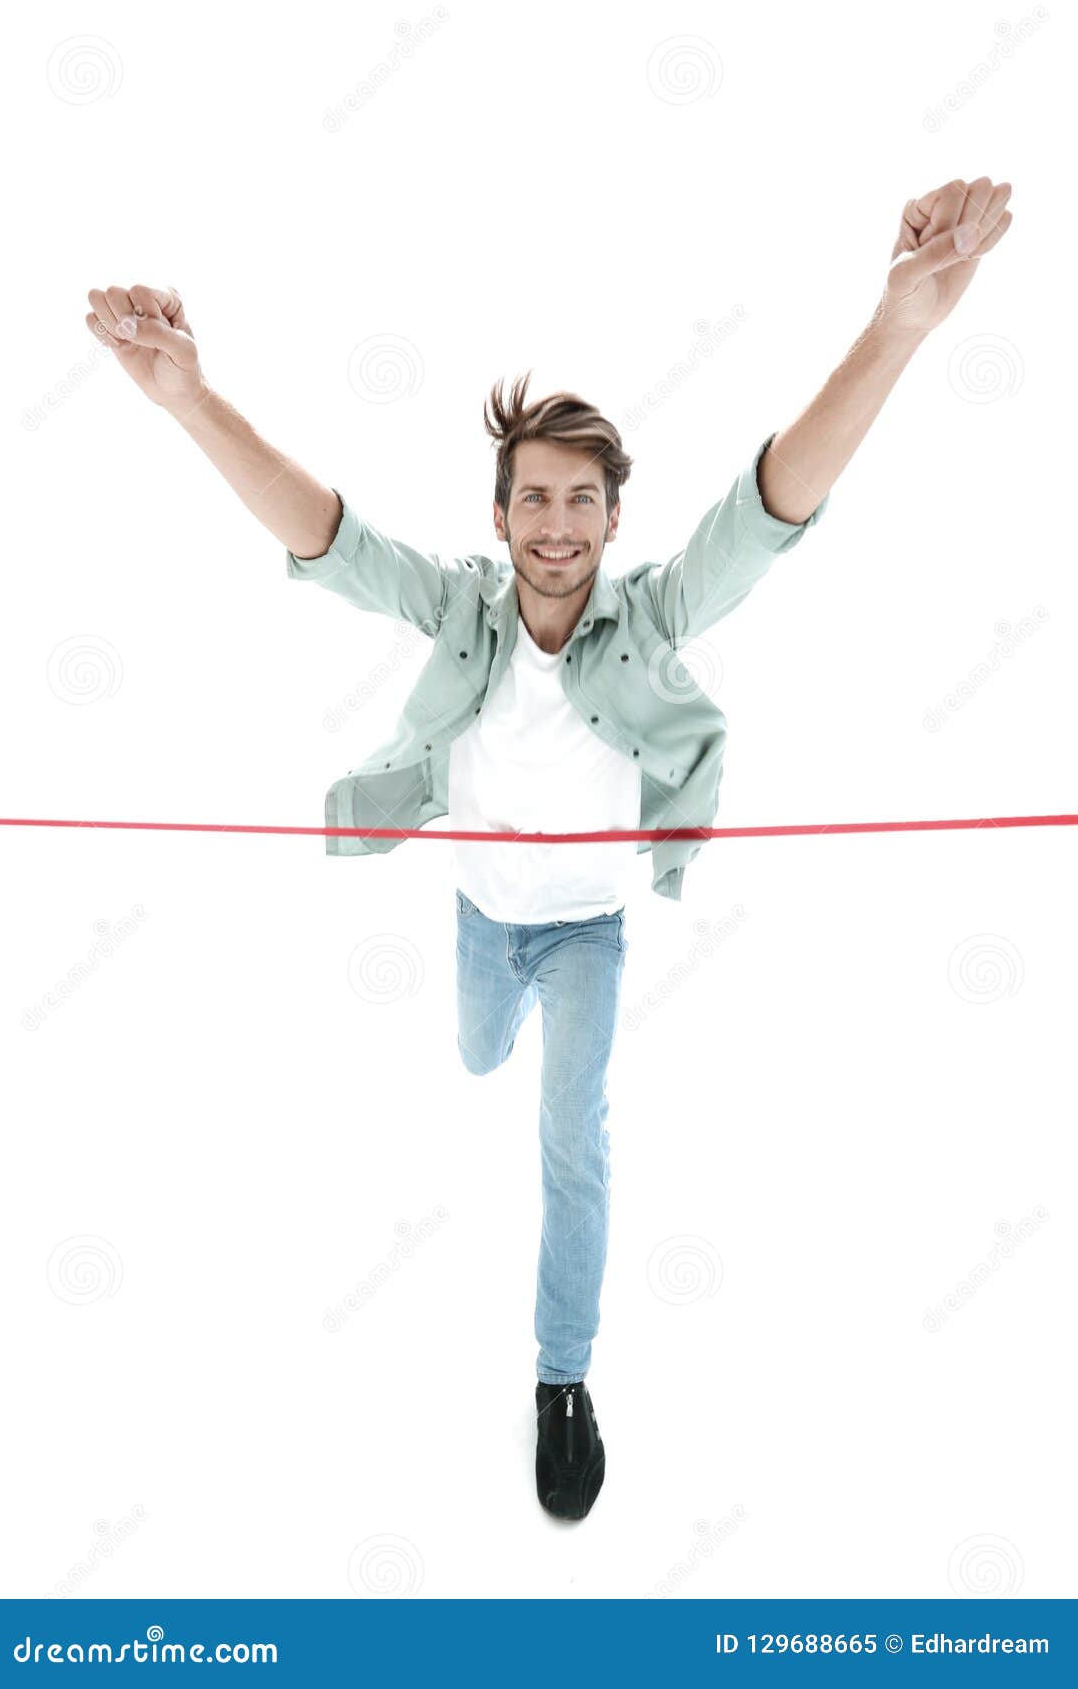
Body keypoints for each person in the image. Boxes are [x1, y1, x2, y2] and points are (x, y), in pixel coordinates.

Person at [84, 176, 1013, 1522]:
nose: (558, 524)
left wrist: (897, 329)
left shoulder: (653, 614)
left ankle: (561, 1378)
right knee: (476, 1053)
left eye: (583, 500)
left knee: (571, 1138)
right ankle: (493, 1012)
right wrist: (190, 401)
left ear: (613, 520)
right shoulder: (458, 606)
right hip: (481, 916)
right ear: (502, 515)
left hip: (585, 928)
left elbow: (766, 514)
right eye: (535, 500)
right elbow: (328, 537)